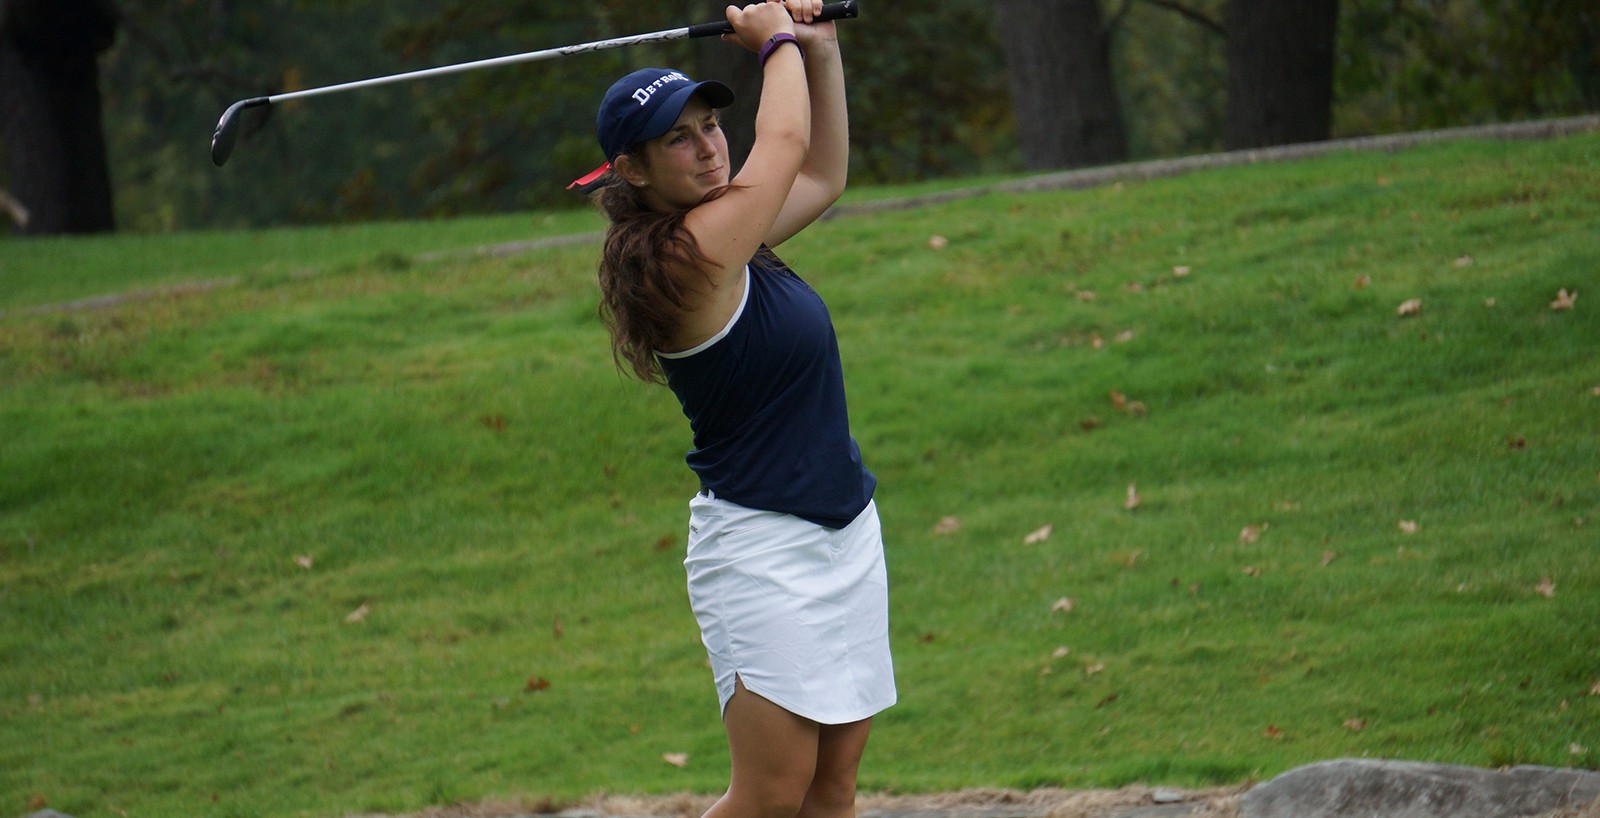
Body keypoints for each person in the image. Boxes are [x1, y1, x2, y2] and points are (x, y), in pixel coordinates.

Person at [570, 3, 895, 818]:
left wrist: (818, 52)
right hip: (762, 552)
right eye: (680, 137)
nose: (710, 144)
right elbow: (783, 147)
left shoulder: (732, 235)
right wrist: (775, 37)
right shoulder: (683, 259)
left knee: (833, 786)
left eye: (712, 124)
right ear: (632, 169)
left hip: (844, 530)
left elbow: (820, 176)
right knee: (769, 794)